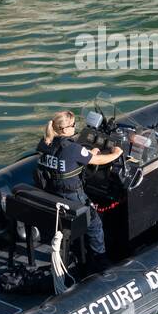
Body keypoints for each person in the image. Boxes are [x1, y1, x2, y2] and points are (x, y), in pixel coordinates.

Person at [34, 110, 122, 265]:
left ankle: (76, 248)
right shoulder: (72, 148)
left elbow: (68, 159)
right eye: (73, 125)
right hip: (72, 197)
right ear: (65, 129)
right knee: (95, 225)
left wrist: (90, 153)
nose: (75, 127)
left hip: (52, 194)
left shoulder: (45, 143)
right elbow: (99, 160)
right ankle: (100, 260)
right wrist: (115, 153)